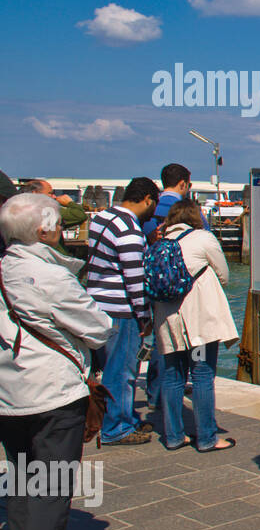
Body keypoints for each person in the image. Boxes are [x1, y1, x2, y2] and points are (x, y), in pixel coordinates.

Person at [0, 192, 113, 530]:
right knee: (52, 479)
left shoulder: (4, 268)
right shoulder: (49, 276)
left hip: (10, 387)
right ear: (44, 230)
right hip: (51, 389)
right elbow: (97, 327)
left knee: (21, 469)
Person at [151, 200, 238, 452]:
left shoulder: (160, 242)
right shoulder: (202, 238)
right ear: (196, 216)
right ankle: (207, 437)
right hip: (199, 319)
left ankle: (174, 436)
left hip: (167, 319)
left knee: (172, 376)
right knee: (201, 374)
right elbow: (224, 273)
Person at [86, 176, 158, 445]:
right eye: (154, 204)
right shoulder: (129, 228)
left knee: (107, 367)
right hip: (121, 309)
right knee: (122, 370)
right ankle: (116, 427)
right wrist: (144, 316)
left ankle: (119, 418)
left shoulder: (101, 219)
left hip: (97, 303)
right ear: (147, 199)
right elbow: (134, 277)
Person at [141, 163, 207, 411]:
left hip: (155, 284)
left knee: (162, 342)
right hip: (186, 289)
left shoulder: (151, 209)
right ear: (183, 184)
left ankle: (155, 392)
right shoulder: (191, 213)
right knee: (191, 347)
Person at [21, 180, 89, 253]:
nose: (54, 196)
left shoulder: (18, 211)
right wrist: (69, 203)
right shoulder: (48, 210)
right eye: (50, 193)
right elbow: (80, 216)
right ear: (35, 193)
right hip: (51, 256)